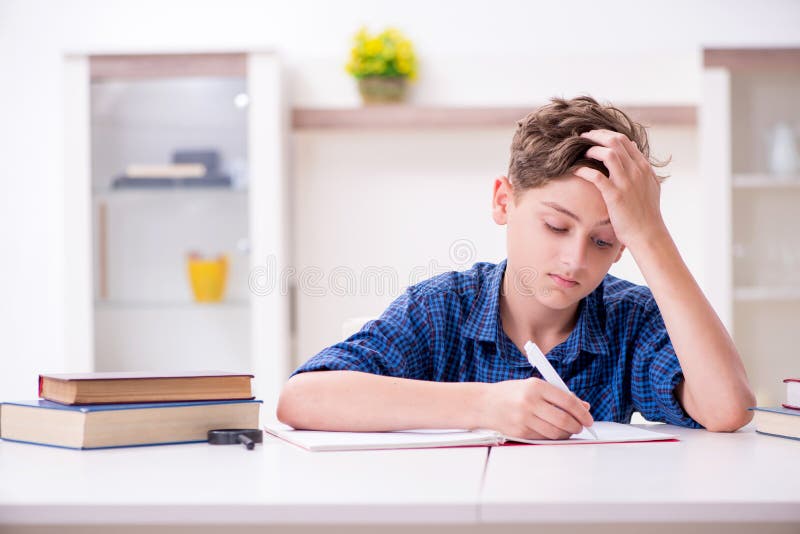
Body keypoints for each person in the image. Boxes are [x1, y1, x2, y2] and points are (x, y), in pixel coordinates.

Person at [277, 95, 755, 440]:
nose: (575, 259)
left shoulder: (629, 320)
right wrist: (484, 404)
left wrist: (651, 234)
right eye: (555, 226)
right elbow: (302, 398)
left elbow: (727, 408)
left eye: (604, 240)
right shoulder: (443, 309)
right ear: (504, 201)